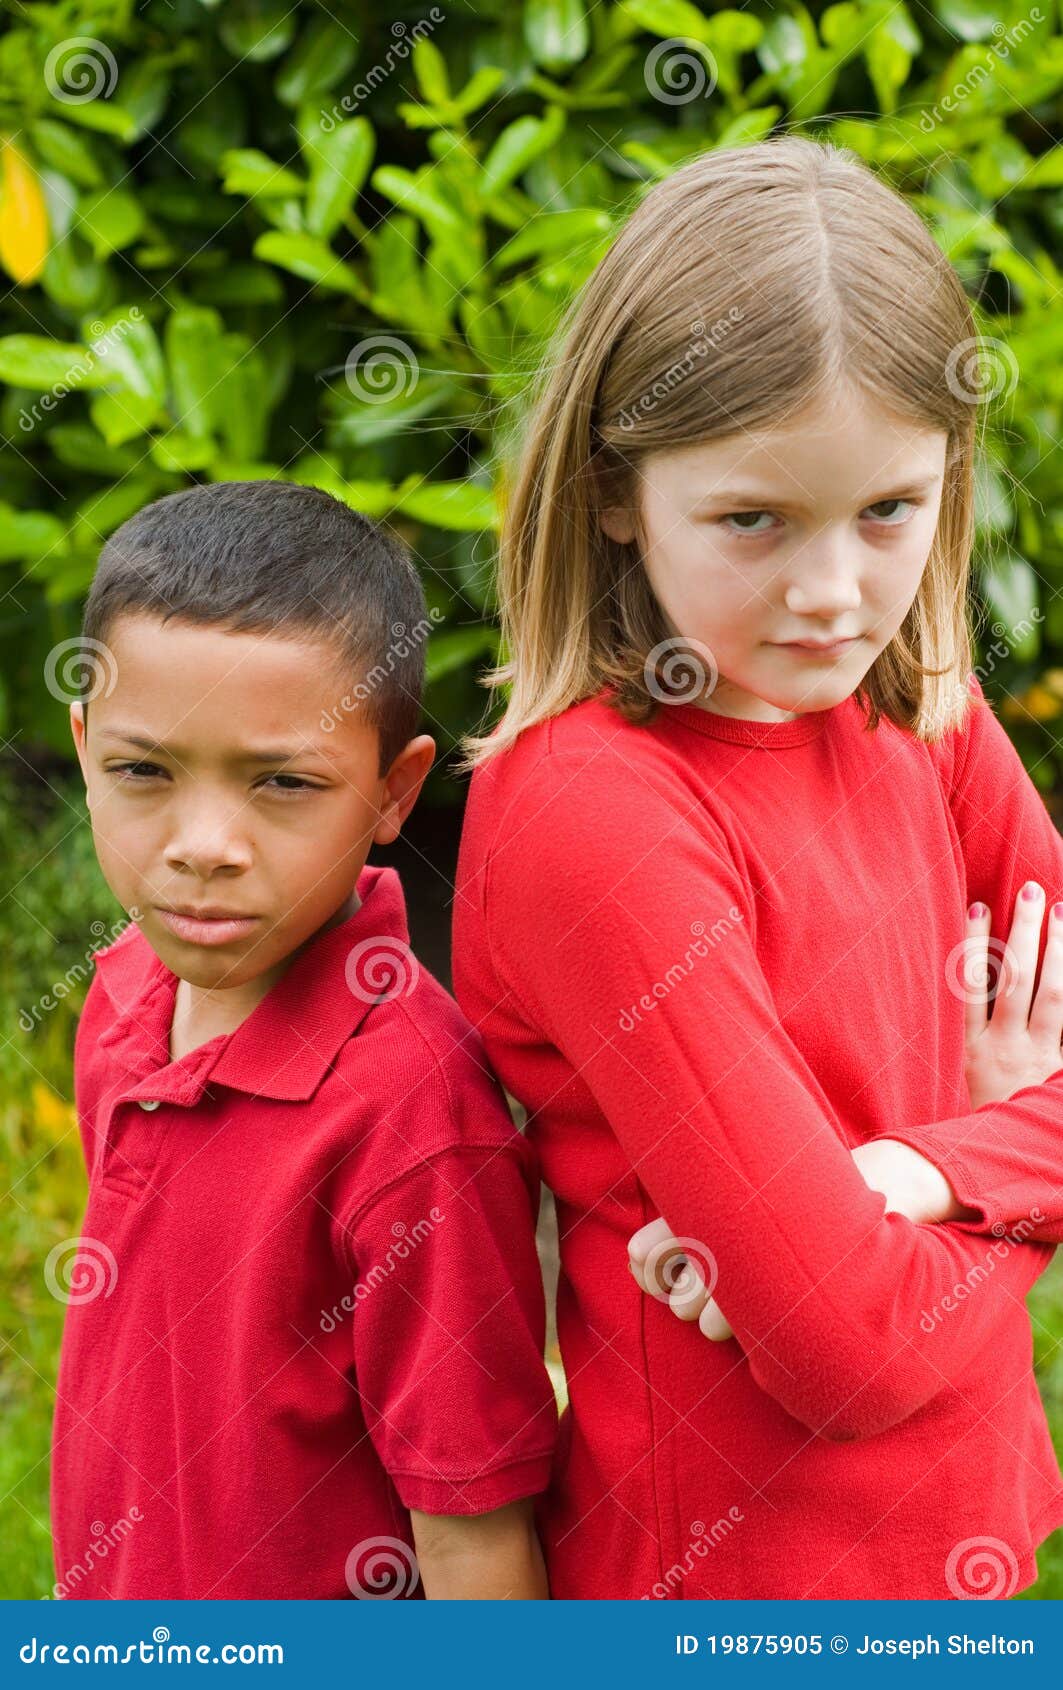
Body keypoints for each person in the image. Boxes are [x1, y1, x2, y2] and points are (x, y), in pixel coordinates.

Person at [449, 134, 1063, 1601]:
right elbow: (841, 1346)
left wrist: (916, 1173)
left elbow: (857, 1273)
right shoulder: (594, 813)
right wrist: (1019, 1172)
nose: (829, 591)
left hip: (971, 1528)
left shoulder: (916, 704)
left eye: (885, 512)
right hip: (741, 1586)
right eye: (749, 519)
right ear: (611, 491)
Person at [53, 480, 557, 1600]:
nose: (202, 846)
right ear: (82, 745)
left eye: (281, 782)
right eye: (143, 771)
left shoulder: (415, 1121)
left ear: (394, 790)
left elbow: (473, 1531)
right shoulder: (124, 997)